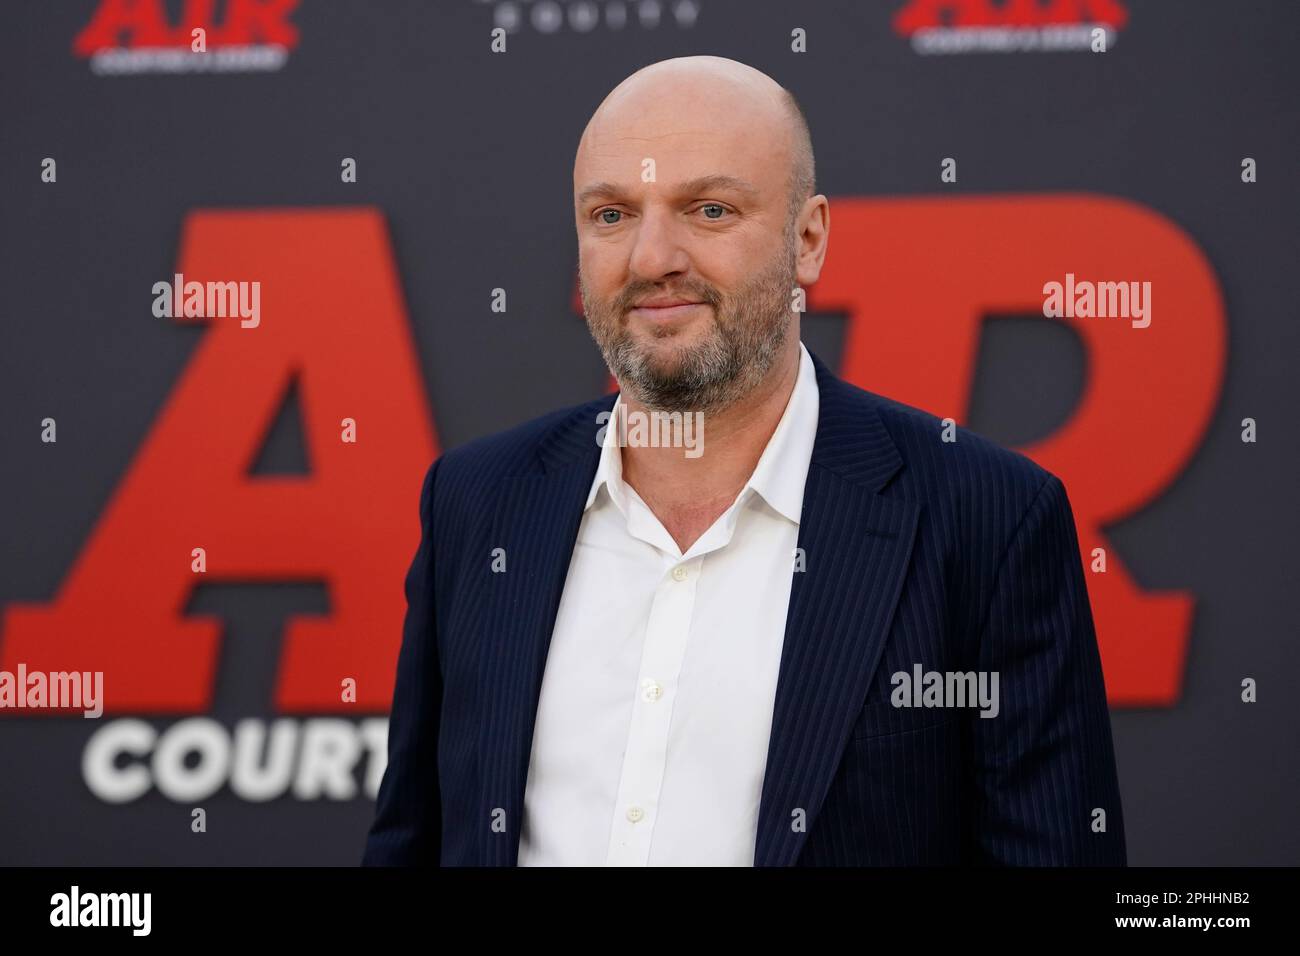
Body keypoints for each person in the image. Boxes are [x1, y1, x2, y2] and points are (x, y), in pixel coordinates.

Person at [363, 55, 1126, 866]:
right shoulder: (479, 503)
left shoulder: (985, 519)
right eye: (612, 215)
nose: (652, 257)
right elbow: (411, 839)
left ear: (808, 239)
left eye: (710, 208)